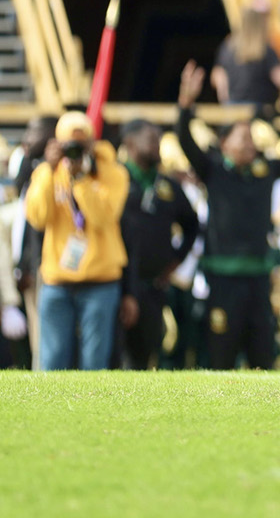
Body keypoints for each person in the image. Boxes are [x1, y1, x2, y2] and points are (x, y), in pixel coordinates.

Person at [173, 62, 280, 369]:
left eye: (250, 138)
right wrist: (186, 104)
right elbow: (184, 140)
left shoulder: (265, 172)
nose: (248, 144)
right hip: (222, 273)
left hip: (258, 273)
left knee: (261, 348)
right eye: (241, 138)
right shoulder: (213, 171)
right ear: (224, 144)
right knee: (221, 347)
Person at [25, 111, 131, 371]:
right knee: (51, 358)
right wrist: (50, 171)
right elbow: (38, 217)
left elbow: (103, 218)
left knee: (94, 361)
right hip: (57, 279)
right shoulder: (47, 172)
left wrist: (81, 180)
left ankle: (93, 411)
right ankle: (49, 411)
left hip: (100, 280)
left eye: (81, 145)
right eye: (69, 146)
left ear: (93, 144)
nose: (74, 151)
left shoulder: (113, 172)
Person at [116, 119, 200, 370]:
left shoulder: (168, 185)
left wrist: (176, 259)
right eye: (151, 141)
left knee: (145, 355)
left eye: (159, 141)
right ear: (130, 143)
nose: (157, 147)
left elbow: (192, 224)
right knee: (113, 356)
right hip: (115, 282)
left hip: (152, 283)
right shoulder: (115, 179)